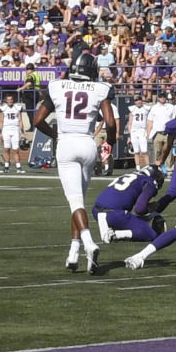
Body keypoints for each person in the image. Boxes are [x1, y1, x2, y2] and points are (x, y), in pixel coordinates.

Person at [41, 51, 115, 273]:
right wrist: (109, 142)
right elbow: (110, 123)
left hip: (66, 143)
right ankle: (73, 252)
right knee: (79, 201)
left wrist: (55, 136)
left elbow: (37, 120)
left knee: (75, 203)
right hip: (87, 144)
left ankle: (89, 243)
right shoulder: (100, 88)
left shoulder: (57, 86)